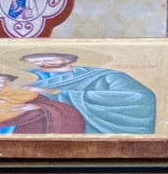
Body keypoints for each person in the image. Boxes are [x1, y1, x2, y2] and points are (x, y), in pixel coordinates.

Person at [20, 52, 158, 136]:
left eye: (48, 58)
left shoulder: (106, 76)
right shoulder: (21, 77)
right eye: (36, 60)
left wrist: (60, 94)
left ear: (68, 58)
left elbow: (140, 97)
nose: (43, 62)